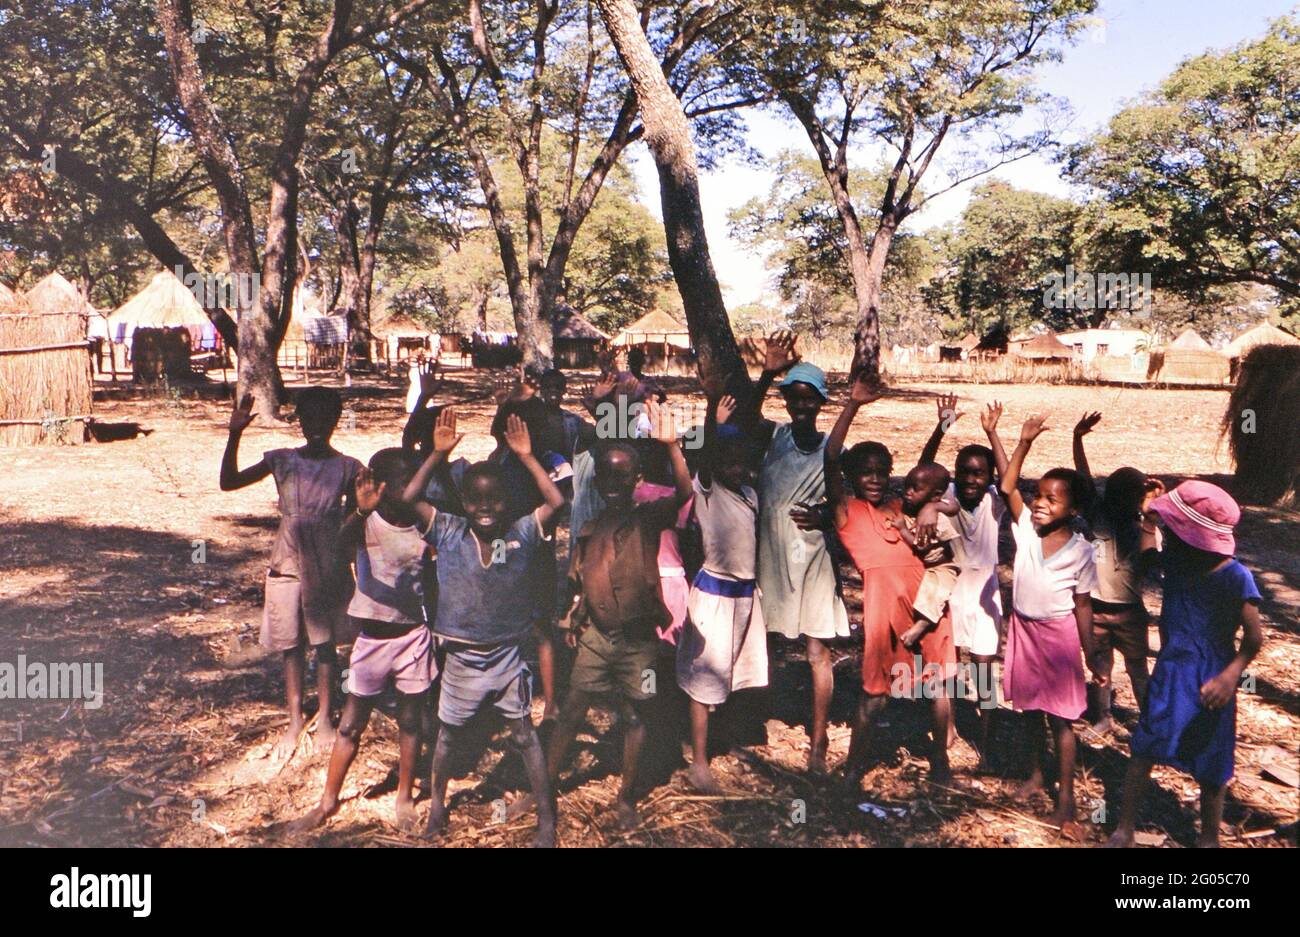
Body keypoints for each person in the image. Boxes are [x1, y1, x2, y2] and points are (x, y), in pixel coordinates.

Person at [403, 409, 563, 847]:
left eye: (494, 500)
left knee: (525, 735)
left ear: (508, 503)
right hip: (460, 657)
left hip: (508, 656)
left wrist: (529, 459)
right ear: (463, 503)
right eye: (475, 500)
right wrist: (436, 454)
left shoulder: (523, 532)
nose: (486, 508)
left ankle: (546, 817)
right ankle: (437, 806)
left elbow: (557, 503)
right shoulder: (451, 531)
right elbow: (409, 498)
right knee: (448, 736)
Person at [546, 401, 693, 828]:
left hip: (637, 641)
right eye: (605, 474)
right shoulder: (591, 527)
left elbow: (685, 494)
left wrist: (673, 448)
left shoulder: (648, 517)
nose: (612, 482)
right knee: (573, 709)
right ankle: (545, 788)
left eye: (622, 475)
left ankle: (626, 796)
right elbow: (582, 581)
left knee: (633, 714)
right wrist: (575, 616)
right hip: (596, 636)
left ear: (637, 480)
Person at [1106, 481, 1263, 848]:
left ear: (1196, 537)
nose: (1168, 536)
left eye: (1173, 528)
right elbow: (1146, 560)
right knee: (1145, 745)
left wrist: (1231, 676)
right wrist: (1148, 520)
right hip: (1171, 671)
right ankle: (1125, 828)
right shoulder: (1178, 562)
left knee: (1212, 762)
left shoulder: (1235, 577)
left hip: (1212, 678)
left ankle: (1209, 839)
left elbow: (1254, 638)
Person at [822, 373, 956, 785]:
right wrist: (853, 404)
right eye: (866, 472)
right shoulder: (847, 511)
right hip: (885, 611)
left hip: (926, 605)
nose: (876, 479)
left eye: (882, 471)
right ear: (852, 476)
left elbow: (926, 477)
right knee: (874, 690)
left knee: (937, 685)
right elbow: (830, 458)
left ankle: (940, 762)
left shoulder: (903, 504)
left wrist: (940, 429)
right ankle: (852, 770)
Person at [290, 449, 434, 832]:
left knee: (410, 720)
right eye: (408, 483)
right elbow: (340, 550)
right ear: (383, 489)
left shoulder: (425, 526)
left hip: (413, 637)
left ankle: (404, 796)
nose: (417, 489)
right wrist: (361, 511)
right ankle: (327, 801)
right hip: (371, 640)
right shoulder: (366, 523)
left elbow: (433, 584)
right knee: (352, 725)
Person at [220, 388, 361, 763]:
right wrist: (234, 433)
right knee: (290, 642)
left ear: (335, 421)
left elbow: (363, 512)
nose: (317, 426)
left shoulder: (348, 467)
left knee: (325, 642)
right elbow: (228, 481)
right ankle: (295, 719)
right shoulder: (281, 460)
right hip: (287, 561)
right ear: (298, 420)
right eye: (309, 419)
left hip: (327, 561)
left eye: (325, 419)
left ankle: (328, 718)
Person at [741, 331, 850, 773]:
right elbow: (744, 420)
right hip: (770, 557)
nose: (802, 406)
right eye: (794, 398)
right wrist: (767, 373)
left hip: (813, 560)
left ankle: (819, 741)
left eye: (810, 400)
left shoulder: (831, 448)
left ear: (821, 402)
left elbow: (845, 505)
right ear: (786, 401)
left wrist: (827, 517)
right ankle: (748, 720)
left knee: (816, 651)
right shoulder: (774, 437)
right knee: (759, 641)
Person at [992, 414, 1106, 831]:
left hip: (1057, 638)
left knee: (1060, 718)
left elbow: (1083, 606)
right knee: (1027, 709)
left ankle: (1067, 799)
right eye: (1038, 495)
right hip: (1023, 630)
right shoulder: (1025, 528)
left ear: (1072, 509)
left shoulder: (1081, 550)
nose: (1039, 504)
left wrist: (1091, 654)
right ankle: (1036, 775)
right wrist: (1023, 442)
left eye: (1051, 499)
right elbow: (1007, 486)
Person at [675, 394, 767, 793]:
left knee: (731, 673)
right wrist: (713, 410)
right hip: (715, 595)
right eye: (728, 461)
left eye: (742, 461)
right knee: (704, 680)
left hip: (746, 596)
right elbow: (707, 456)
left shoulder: (749, 494)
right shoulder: (708, 491)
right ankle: (698, 763)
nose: (738, 468)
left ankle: (719, 740)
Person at [919, 396, 1011, 765]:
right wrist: (942, 425)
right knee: (949, 664)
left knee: (985, 666)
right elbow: (925, 468)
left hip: (985, 596)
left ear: (987, 476)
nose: (971, 479)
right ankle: (951, 725)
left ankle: (987, 736)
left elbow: (1009, 481)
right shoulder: (947, 495)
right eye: (965, 471)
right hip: (950, 593)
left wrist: (993, 434)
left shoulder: (995, 499)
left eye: (979, 473)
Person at [1072, 411, 1160, 732]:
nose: (1125, 501)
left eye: (1134, 496)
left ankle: (1151, 722)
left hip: (1130, 613)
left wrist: (1151, 518)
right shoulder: (1098, 516)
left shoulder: (1145, 529)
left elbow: (1151, 565)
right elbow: (1083, 477)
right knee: (1100, 665)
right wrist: (1077, 438)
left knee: (1138, 667)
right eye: (1119, 493)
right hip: (1095, 610)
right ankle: (1103, 717)